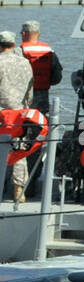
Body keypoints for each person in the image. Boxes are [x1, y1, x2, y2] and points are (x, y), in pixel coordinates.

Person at [0, 30, 33, 203]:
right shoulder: (25, 63)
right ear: (13, 45)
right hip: (20, 113)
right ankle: (19, 193)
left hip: (2, 114)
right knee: (20, 152)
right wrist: (25, 107)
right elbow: (30, 91)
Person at [20, 21, 62, 112]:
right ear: (38, 34)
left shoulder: (19, 51)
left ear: (23, 34)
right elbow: (57, 77)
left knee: (22, 122)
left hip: (22, 98)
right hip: (43, 97)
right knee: (40, 122)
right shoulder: (49, 51)